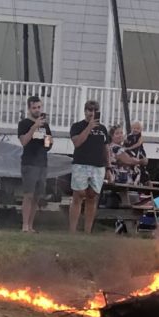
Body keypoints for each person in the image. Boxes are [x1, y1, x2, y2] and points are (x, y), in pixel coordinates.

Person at [68, 99, 111, 233]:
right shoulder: (77, 126)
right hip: (81, 164)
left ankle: (87, 230)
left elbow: (106, 148)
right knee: (78, 195)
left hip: (98, 166)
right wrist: (89, 127)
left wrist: (108, 167)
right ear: (85, 111)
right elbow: (77, 143)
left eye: (95, 110)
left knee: (92, 197)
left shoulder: (103, 129)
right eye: (89, 110)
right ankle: (72, 230)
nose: (92, 113)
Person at [16, 94, 52, 234]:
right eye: (34, 108)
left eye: (39, 107)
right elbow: (24, 141)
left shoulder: (45, 125)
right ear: (29, 109)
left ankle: (31, 225)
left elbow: (48, 145)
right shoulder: (24, 124)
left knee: (37, 196)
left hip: (42, 162)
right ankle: (24, 225)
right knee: (28, 195)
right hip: (29, 163)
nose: (37, 110)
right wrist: (34, 127)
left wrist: (48, 140)